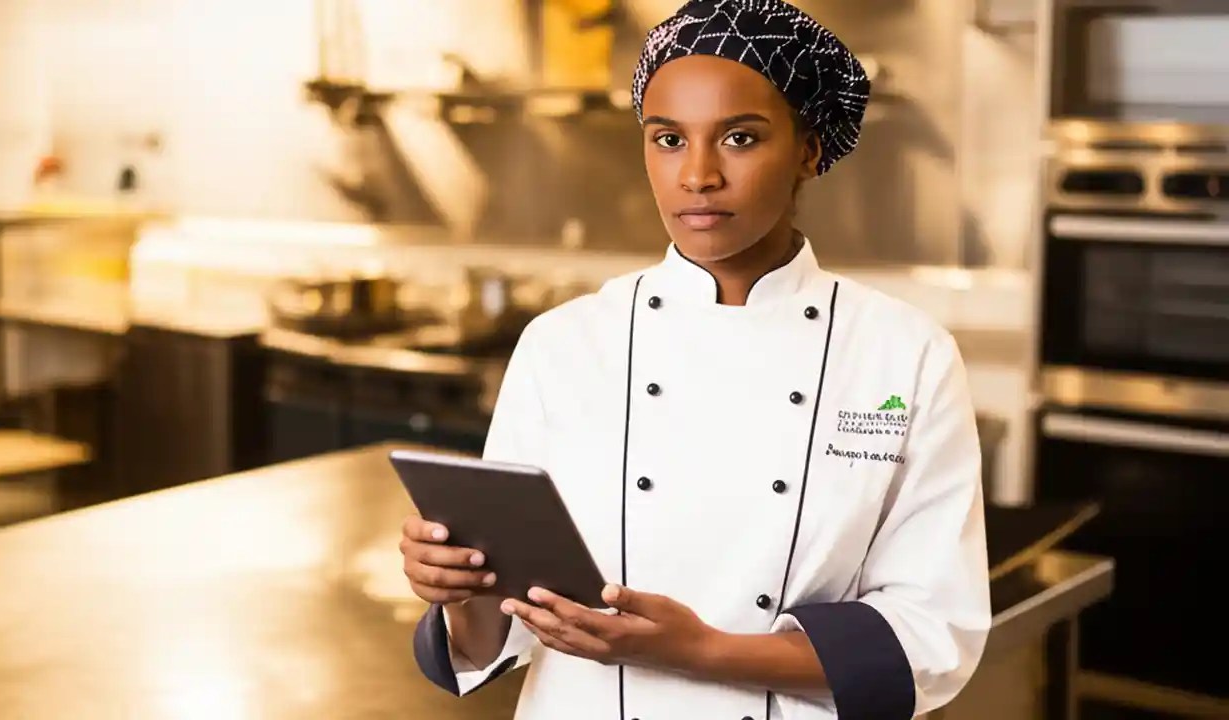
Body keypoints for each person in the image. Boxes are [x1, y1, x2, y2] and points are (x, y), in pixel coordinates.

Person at [399, 1, 991, 718]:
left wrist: (695, 649)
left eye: (740, 138)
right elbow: (503, 627)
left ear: (807, 149)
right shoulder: (564, 344)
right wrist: (461, 588)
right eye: (669, 139)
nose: (698, 175)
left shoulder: (905, 355)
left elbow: (932, 636)